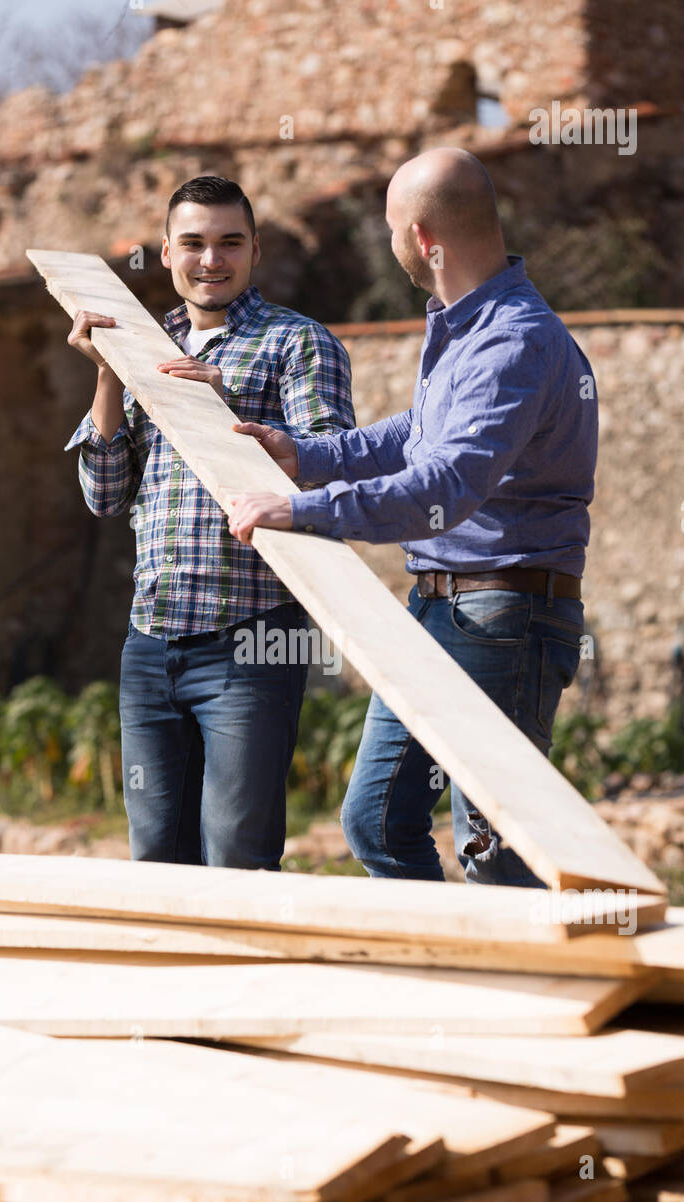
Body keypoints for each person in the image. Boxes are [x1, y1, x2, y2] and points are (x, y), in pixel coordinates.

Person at [227, 148, 597, 888]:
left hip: (506, 617)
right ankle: (454, 980)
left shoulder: (514, 342)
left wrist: (304, 511)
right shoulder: (467, 326)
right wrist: (306, 456)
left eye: (395, 226)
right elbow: (415, 435)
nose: (390, 240)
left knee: (496, 855)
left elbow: (447, 484)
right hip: (440, 610)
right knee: (377, 821)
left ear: (424, 239)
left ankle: (520, 996)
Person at [65, 175, 354, 869]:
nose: (211, 259)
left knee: (236, 854)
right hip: (150, 641)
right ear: (166, 254)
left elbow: (326, 478)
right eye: (193, 243)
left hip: (251, 640)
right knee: (157, 856)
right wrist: (109, 375)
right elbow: (105, 497)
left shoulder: (299, 344)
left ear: (255, 251)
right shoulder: (141, 343)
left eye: (230, 243)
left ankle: (253, 977)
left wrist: (222, 412)